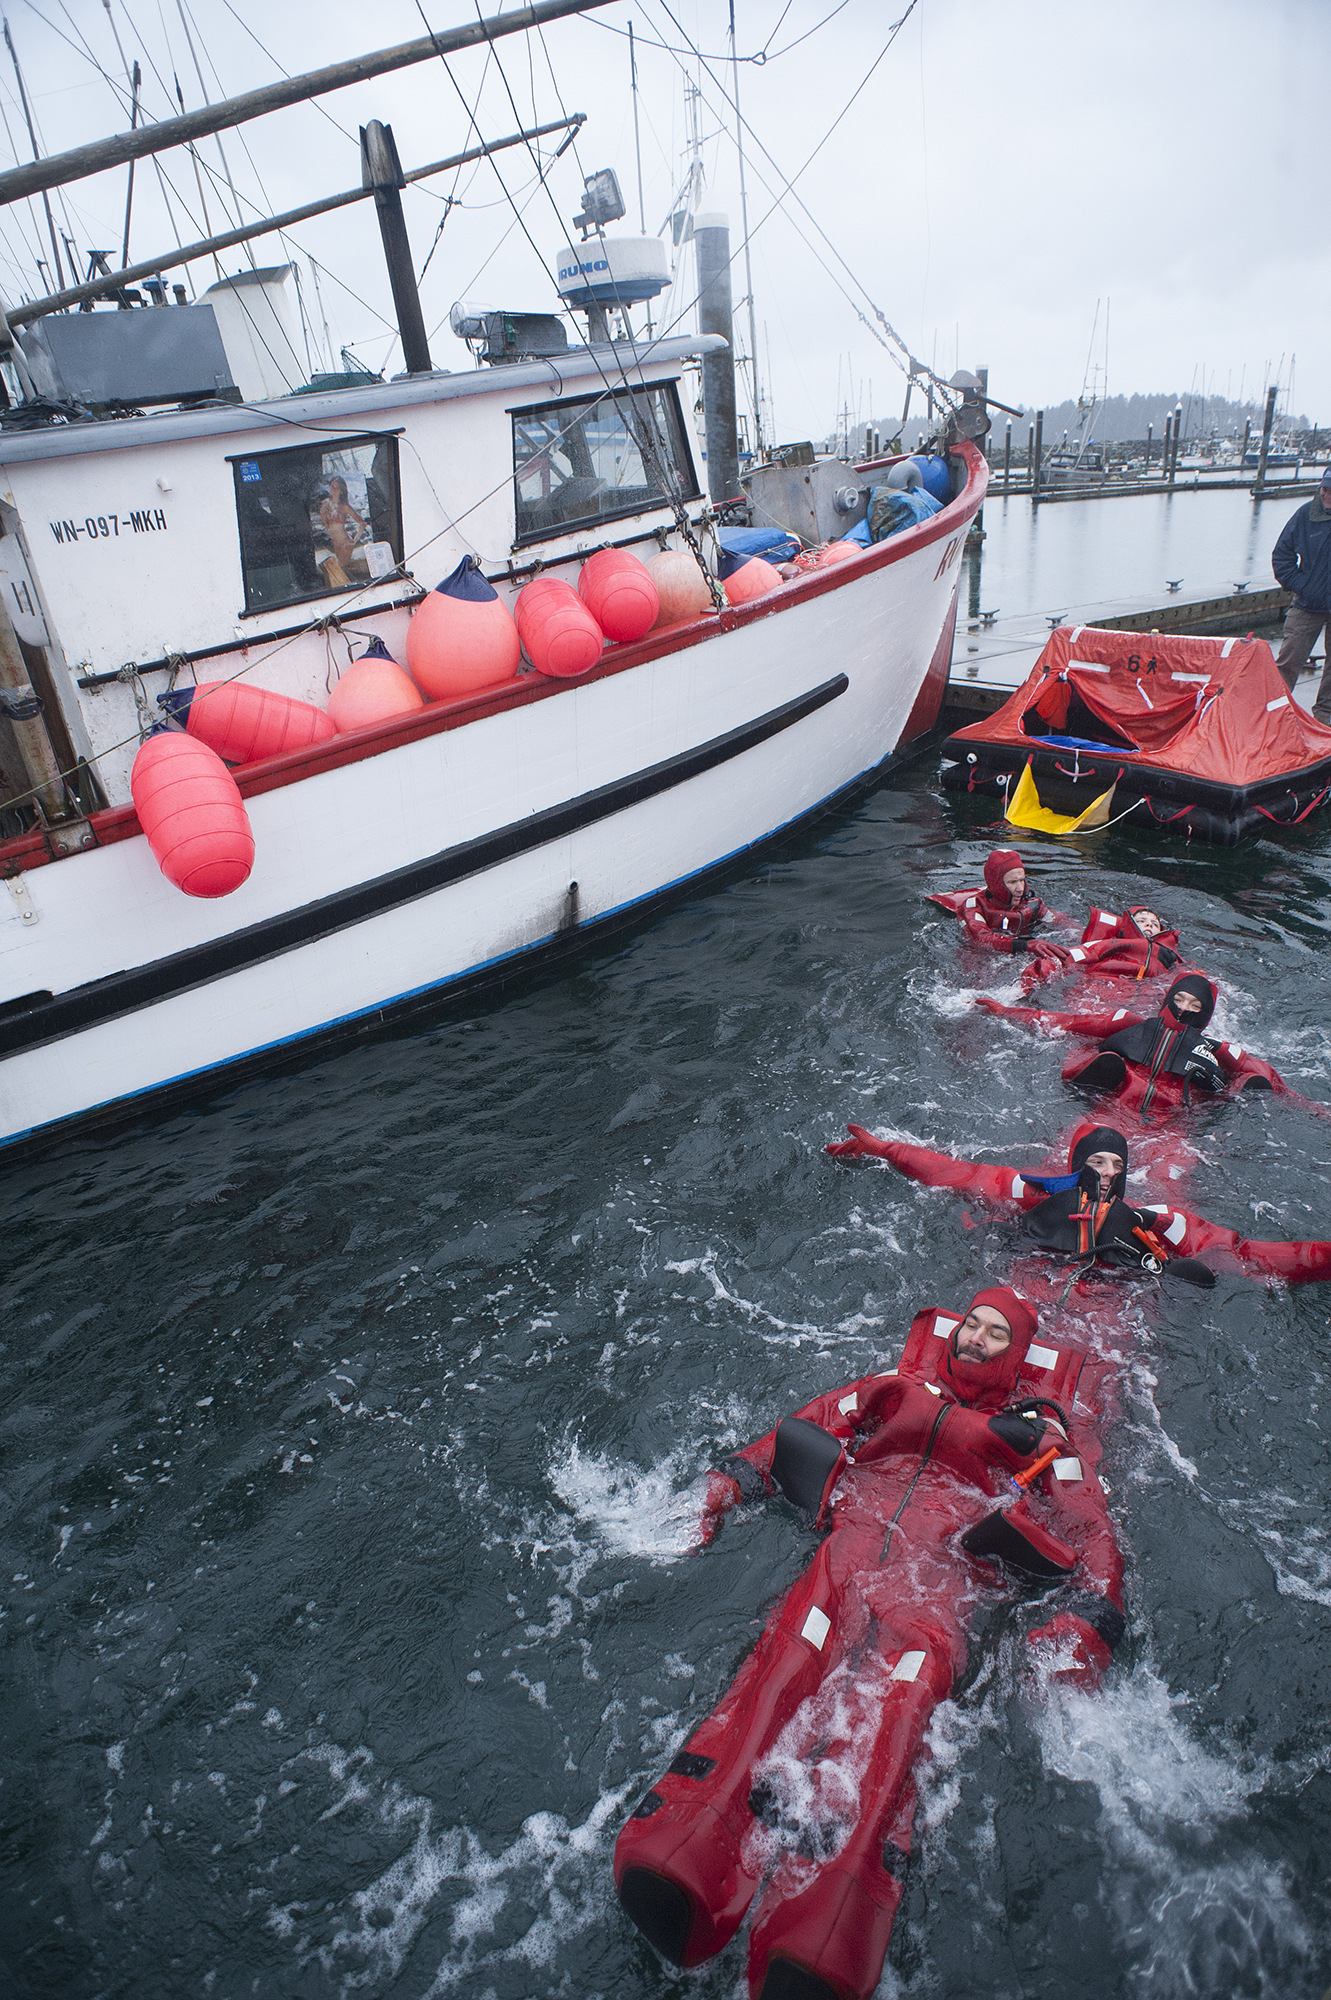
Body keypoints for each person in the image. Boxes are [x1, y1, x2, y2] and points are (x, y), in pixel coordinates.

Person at [614, 1287, 1124, 2000]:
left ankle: (840, 1902)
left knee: (901, 1697)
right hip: (851, 1548)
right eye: (970, 1325)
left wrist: (1086, 1620)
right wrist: (718, 1489)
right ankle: (694, 1827)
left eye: (993, 1334)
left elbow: (1089, 1529)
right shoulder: (893, 1388)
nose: (974, 1339)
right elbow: (798, 1430)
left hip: (942, 1578)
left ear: (1013, 1353)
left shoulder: (1038, 1438)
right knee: (790, 1657)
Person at [825, 1119, 1331, 1283]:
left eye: (1117, 1164)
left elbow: (1248, 1254)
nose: (1108, 1173)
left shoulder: (1163, 1221)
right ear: (1076, 1166)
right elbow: (961, 1173)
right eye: (1097, 1163)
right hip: (1042, 1276)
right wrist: (886, 1149)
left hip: (1118, 1297)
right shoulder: (1038, 1193)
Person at [974, 972, 1298, 1117]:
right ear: (1167, 999)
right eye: (1178, 999)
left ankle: (1229, 1100)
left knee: (1244, 1083)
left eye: (1194, 1005)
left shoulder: (1215, 1048)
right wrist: (1007, 1011)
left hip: (1173, 1112)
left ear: (1205, 1015)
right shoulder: (1130, 1023)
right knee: (1107, 1076)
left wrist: (1309, 1108)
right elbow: (1068, 1021)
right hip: (1122, 1091)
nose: (1183, 1008)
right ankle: (1092, 1078)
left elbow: (1264, 1072)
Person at [929, 848, 1067, 958]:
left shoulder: (1031, 904)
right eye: (1013, 882)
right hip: (983, 956)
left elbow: (1061, 922)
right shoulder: (974, 907)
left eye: (1022, 880)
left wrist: (1080, 936)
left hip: (1023, 948)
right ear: (996, 884)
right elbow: (980, 940)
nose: (1020, 888)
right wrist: (1025, 945)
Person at [1272, 466, 1331, 720]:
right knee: (1287, 660)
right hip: (1307, 603)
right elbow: (1282, 557)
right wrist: (1301, 585)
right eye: (1325, 489)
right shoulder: (1306, 514)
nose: (1328, 494)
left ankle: (1325, 718)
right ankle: (1273, 714)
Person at [1019, 902, 1182, 993]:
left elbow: (1187, 978)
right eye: (1142, 920)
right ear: (1128, 925)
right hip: (1101, 990)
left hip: (1145, 996)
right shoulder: (1110, 944)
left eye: (1154, 924)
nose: (1149, 924)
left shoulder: (1169, 955)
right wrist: (1039, 971)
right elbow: (1070, 957)